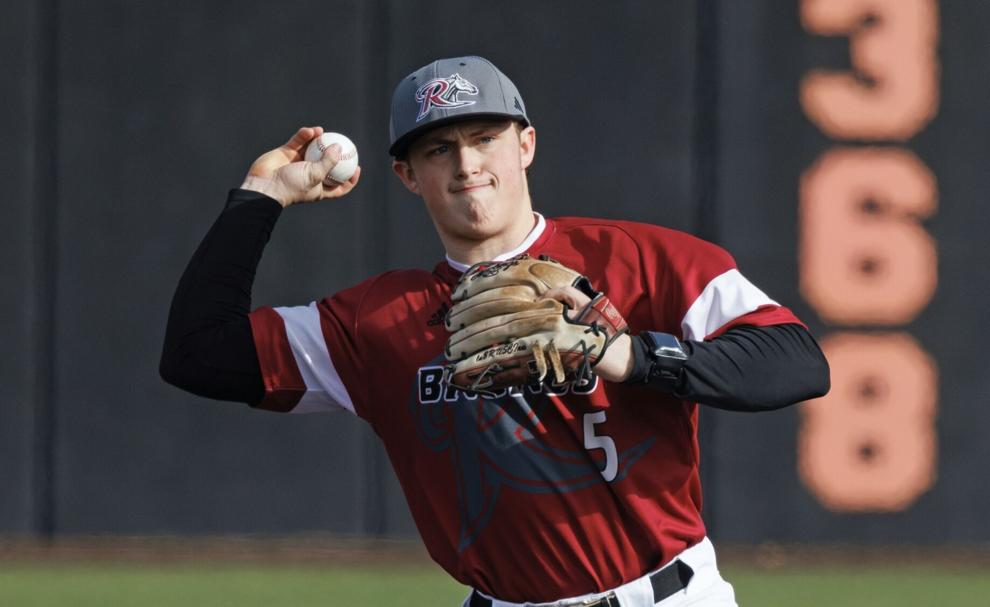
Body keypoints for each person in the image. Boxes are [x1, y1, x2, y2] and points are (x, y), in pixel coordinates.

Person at [161, 56, 829, 607]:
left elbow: (796, 359)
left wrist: (624, 354)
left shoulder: (643, 260)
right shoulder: (379, 322)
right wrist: (261, 196)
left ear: (525, 144)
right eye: (438, 147)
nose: (466, 163)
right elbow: (198, 353)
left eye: (485, 137)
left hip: (667, 596)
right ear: (407, 175)